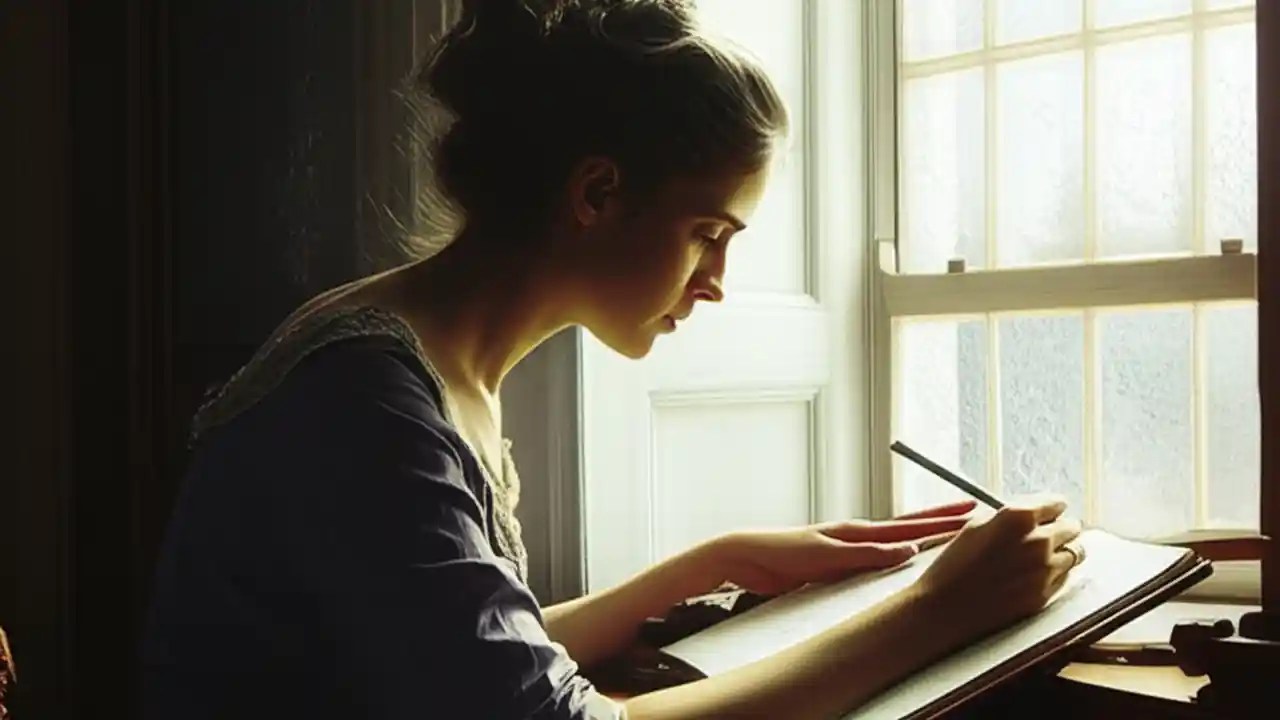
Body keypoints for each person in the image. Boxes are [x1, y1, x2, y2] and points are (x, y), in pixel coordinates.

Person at [140, 1, 1084, 718]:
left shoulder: (419, 358)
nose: (716, 282)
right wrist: (933, 612)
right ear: (596, 193)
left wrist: (713, 563)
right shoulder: (369, 401)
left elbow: (468, 661)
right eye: (708, 234)